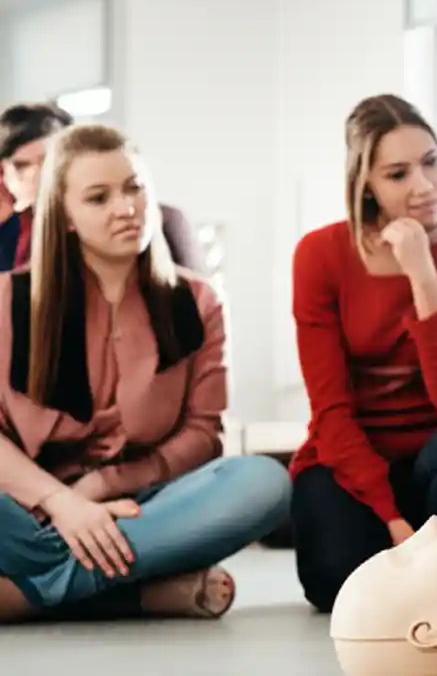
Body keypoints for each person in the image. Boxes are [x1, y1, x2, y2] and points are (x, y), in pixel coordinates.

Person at [0, 124, 290, 622]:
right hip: (26, 505)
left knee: (262, 482)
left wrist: (99, 487)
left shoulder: (197, 301)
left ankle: (30, 594)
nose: (126, 207)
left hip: (144, 509)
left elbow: (203, 436)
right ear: (65, 216)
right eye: (99, 197)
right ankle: (127, 592)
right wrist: (60, 502)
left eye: (134, 187)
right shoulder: (7, 300)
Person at [289, 94, 437, 612]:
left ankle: (435, 564)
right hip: (350, 465)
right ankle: (428, 565)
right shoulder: (320, 255)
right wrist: (392, 519)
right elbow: (330, 411)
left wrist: (423, 273)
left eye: (431, 162)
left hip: (434, 466)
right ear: (365, 182)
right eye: (398, 174)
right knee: (335, 588)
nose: (424, 185)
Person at [0, 103, 203, 273]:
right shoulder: (10, 236)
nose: (38, 174)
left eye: (49, 161)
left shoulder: (161, 221)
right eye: (21, 166)